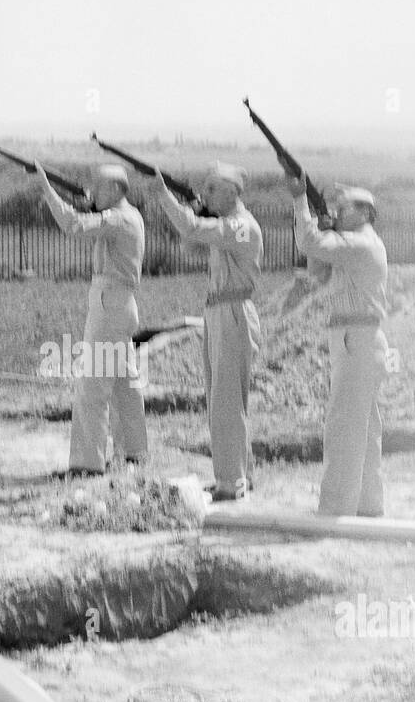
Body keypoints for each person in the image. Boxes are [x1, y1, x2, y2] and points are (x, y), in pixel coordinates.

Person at [154, 162, 261, 501]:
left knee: (227, 401)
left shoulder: (242, 227)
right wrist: (199, 210)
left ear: (232, 191)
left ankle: (232, 482)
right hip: (218, 310)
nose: (205, 194)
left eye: (212, 189)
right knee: (221, 399)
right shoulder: (226, 224)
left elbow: (190, 231)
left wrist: (165, 196)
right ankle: (237, 475)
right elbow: (190, 244)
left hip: (233, 310)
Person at [35, 162, 147, 475]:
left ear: (114, 189)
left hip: (109, 302)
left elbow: (73, 226)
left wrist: (48, 188)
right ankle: (134, 452)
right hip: (116, 301)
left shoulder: (119, 218)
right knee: (124, 383)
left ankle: (87, 462)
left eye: (98, 187)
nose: (92, 192)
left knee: (92, 385)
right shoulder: (126, 216)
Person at [291, 181, 389, 516]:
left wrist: (299, 199)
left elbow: (308, 242)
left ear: (364, 212)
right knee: (363, 425)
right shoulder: (354, 245)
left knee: (344, 424)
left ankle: (335, 506)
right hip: (358, 335)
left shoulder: (360, 243)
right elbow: (318, 270)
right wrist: (325, 227)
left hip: (355, 335)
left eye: (343, 208)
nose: (336, 213)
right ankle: (367, 503)